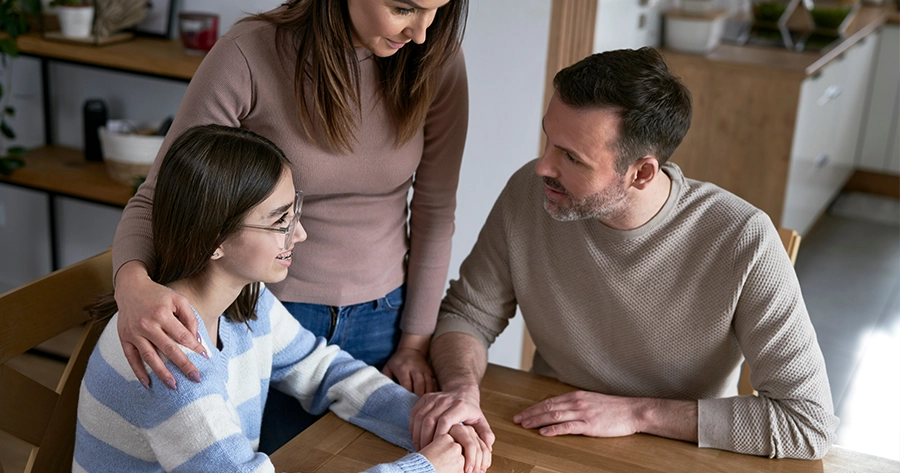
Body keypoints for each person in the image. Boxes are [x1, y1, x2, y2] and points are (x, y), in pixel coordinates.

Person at [409, 47, 839, 460]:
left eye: (572, 158)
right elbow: (467, 314)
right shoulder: (529, 193)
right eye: (548, 140)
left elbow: (808, 421)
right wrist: (461, 388)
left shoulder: (743, 239)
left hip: (675, 453)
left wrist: (637, 412)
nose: (543, 167)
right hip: (546, 432)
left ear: (641, 173)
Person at [110, 0, 469, 452]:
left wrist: (415, 342)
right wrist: (131, 286)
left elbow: (436, 212)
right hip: (264, 316)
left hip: (387, 321)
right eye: (403, 8)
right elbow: (162, 195)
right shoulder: (249, 55)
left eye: (437, 9)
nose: (420, 32)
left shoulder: (436, 58)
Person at [75, 125, 490, 473]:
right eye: (280, 222)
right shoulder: (170, 356)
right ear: (214, 239)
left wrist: (425, 419)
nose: (300, 234)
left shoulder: (246, 300)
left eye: (295, 212)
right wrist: (424, 467)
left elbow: (325, 369)